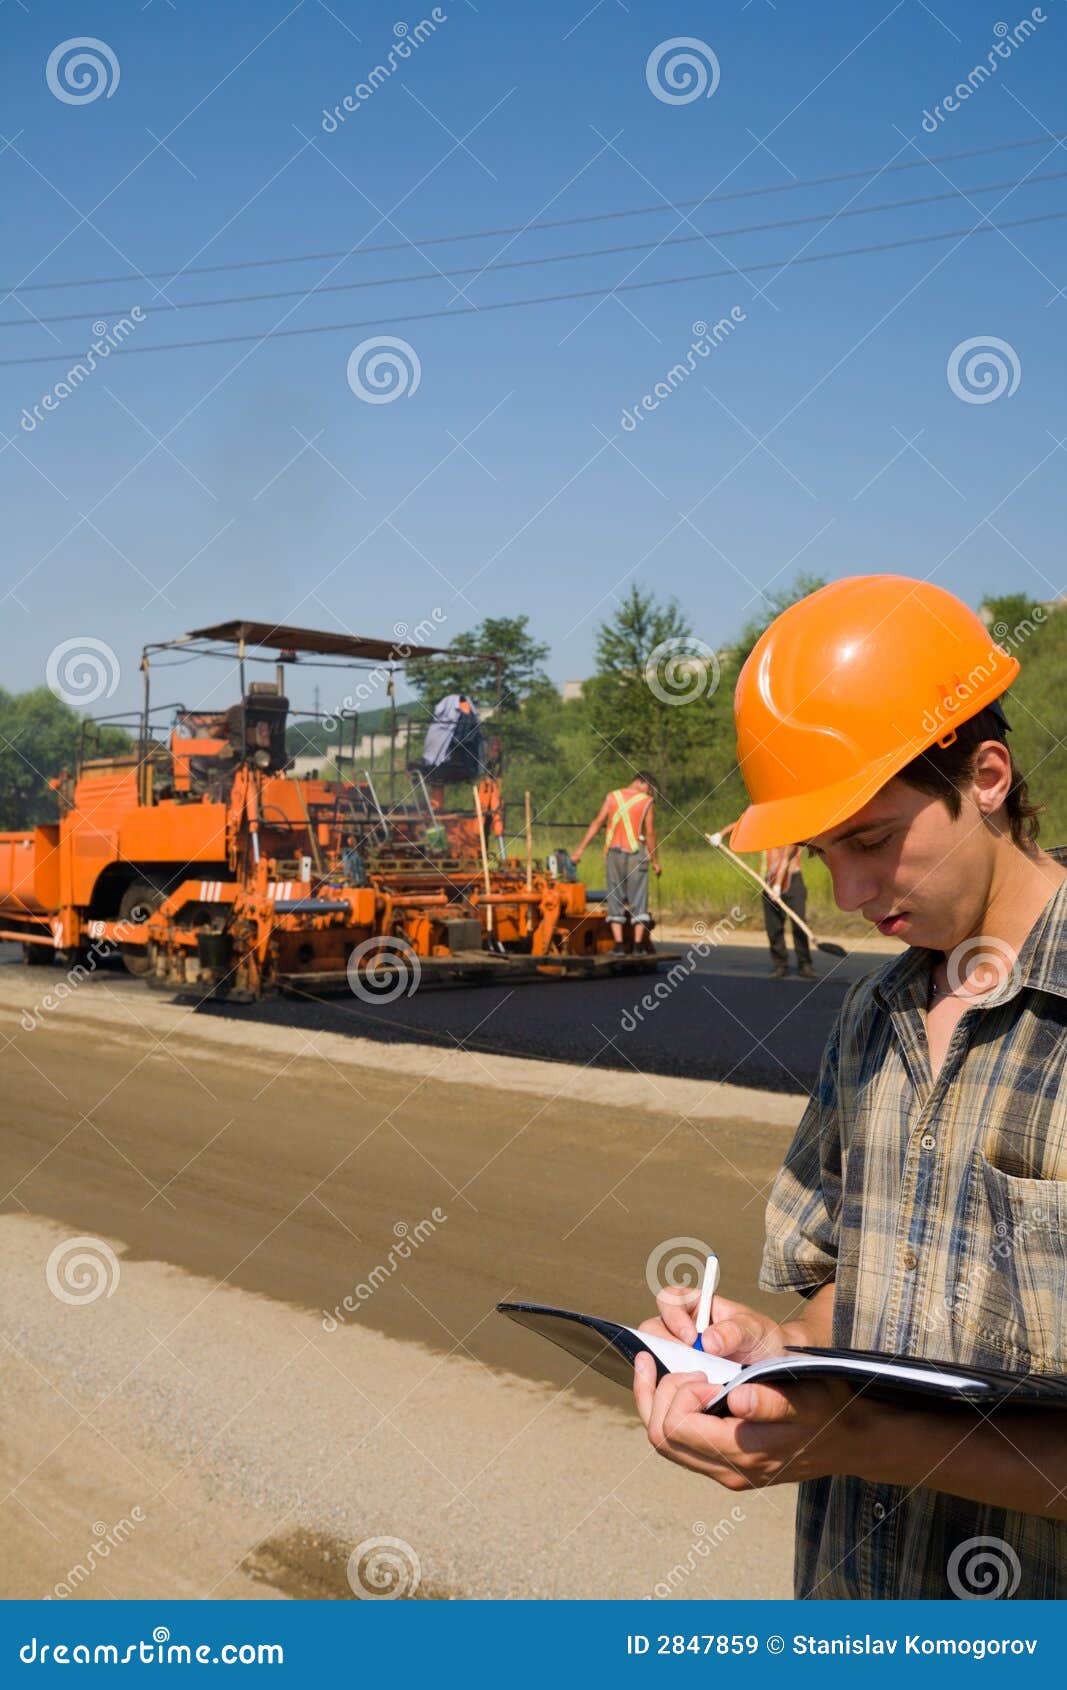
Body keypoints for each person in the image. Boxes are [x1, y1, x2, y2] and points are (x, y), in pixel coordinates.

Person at [632, 574, 1067, 1599]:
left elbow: (863, 1427)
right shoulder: (867, 1022)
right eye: (821, 854)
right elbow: (849, 1303)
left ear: (987, 774)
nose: (850, 894)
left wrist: (858, 1441)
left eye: (871, 840)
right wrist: (767, 1351)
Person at [573, 771, 661, 952]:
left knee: (615, 898)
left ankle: (619, 945)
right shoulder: (646, 802)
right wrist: (655, 860)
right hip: (636, 854)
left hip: (614, 854)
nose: (649, 793)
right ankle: (637, 946)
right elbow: (650, 832)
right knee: (639, 900)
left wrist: (580, 850)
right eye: (649, 789)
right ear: (640, 782)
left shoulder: (612, 797)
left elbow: (597, 822)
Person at [761, 842, 814, 979]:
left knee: (799, 924)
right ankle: (780, 965)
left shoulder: (790, 837)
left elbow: (785, 860)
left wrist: (778, 886)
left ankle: (805, 964)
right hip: (769, 884)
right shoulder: (765, 835)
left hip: (792, 883)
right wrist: (720, 835)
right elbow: (739, 825)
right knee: (773, 927)